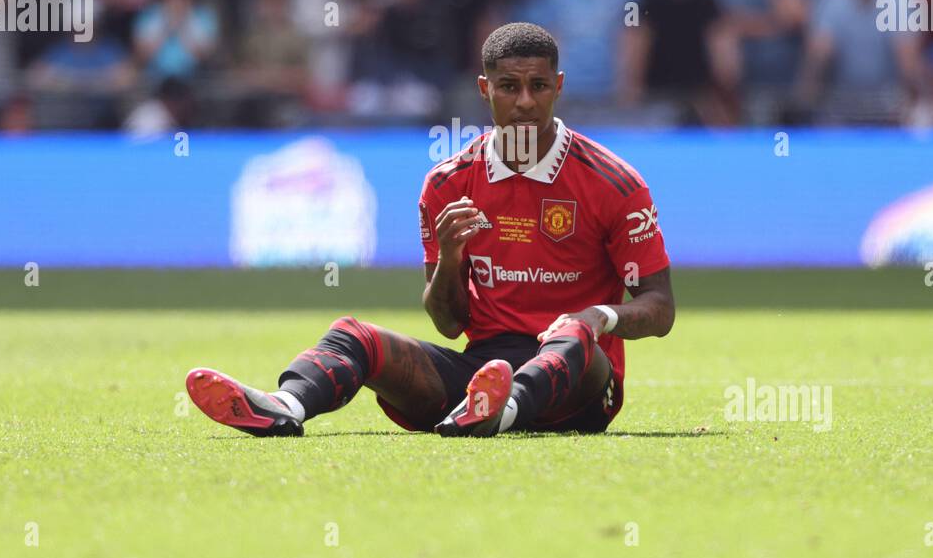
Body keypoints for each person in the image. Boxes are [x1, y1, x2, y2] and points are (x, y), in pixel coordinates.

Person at [186, 22, 675, 437]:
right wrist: (449, 258)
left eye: (538, 87)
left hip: (582, 381)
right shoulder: (448, 183)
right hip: (482, 371)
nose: (525, 102)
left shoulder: (613, 183)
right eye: (509, 87)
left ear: (559, 86)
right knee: (352, 334)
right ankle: (284, 407)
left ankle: (500, 411)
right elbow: (448, 323)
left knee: (569, 333)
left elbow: (660, 307)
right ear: (485, 90)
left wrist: (597, 317)